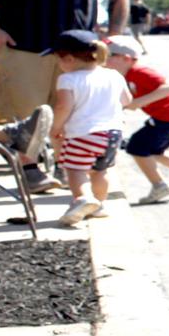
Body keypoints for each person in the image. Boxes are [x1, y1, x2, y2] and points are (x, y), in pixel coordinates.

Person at [0, 0, 131, 193]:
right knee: (27, 113)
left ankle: (65, 168)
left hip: (79, 51)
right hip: (22, 44)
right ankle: (30, 169)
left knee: (71, 112)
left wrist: (114, 33)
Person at [103, 35, 169, 204]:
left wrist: (138, 102)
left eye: (108, 56)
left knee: (137, 146)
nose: (104, 61)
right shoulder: (125, 75)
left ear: (126, 58)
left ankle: (159, 185)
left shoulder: (140, 72)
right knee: (153, 151)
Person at [45, 30, 129, 226]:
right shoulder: (113, 75)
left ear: (68, 59)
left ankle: (82, 199)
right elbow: (126, 100)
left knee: (75, 170)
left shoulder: (68, 79)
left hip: (83, 133)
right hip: (113, 133)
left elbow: (63, 106)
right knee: (100, 171)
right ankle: (99, 205)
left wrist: (55, 127)